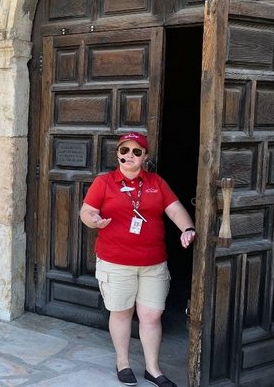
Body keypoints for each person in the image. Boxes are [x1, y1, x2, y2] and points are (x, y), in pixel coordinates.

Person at [79, 132, 195, 387]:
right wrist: (93, 220)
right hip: (116, 261)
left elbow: (174, 208)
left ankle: (153, 369)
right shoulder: (105, 182)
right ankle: (123, 363)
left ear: (145, 157)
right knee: (121, 313)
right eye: (124, 150)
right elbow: (86, 211)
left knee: (152, 315)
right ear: (118, 153)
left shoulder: (156, 183)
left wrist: (187, 229)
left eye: (136, 151)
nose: (129, 155)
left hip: (153, 263)